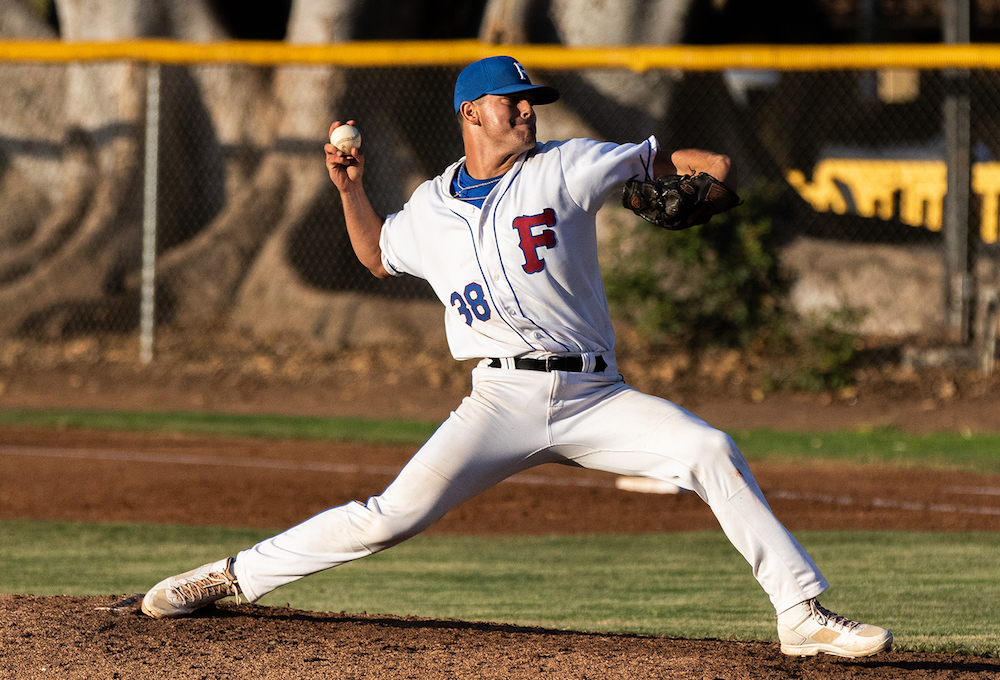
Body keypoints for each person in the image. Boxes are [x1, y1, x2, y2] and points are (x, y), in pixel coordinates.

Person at [142, 55, 892, 659]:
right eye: (514, 100)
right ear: (472, 113)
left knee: (710, 448)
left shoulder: (566, 165)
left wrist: (697, 182)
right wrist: (352, 187)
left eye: (531, 100)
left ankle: (801, 615)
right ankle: (228, 577)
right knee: (386, 519)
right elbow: (376, 254)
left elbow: (702, 161)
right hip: (499, 401)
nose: (528, 109)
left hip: (596, 397)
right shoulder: (431, 210)